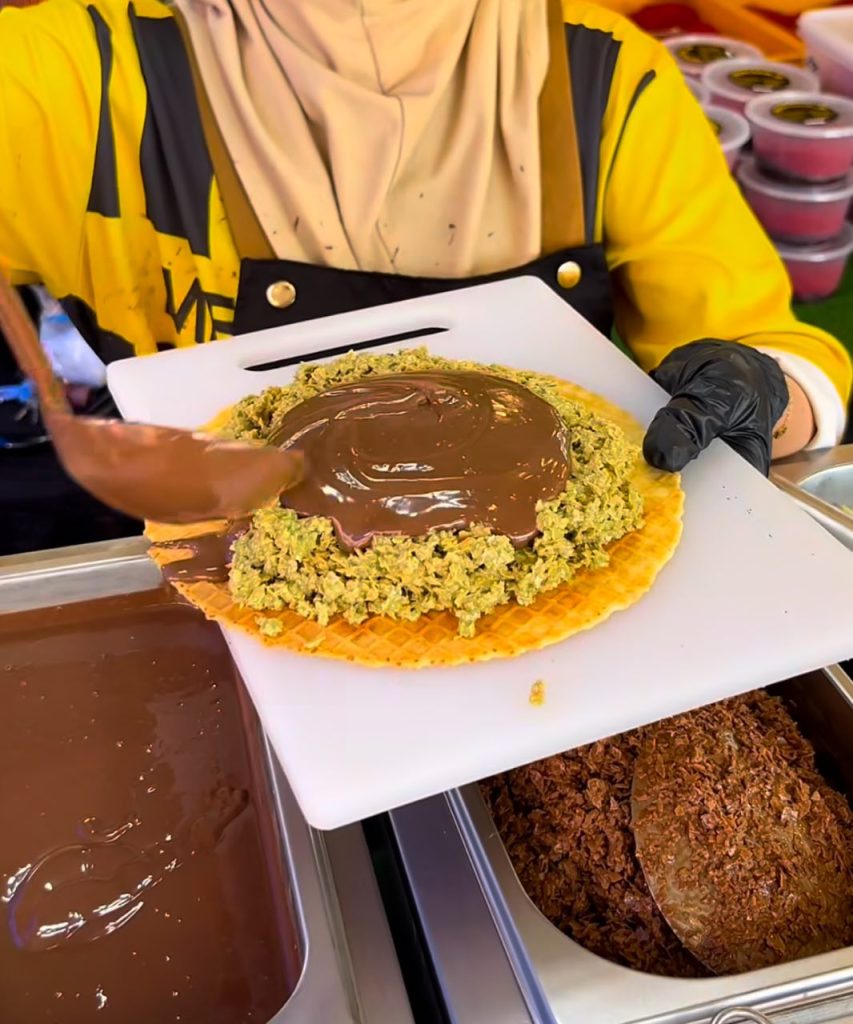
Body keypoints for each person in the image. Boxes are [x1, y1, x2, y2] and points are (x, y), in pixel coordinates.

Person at [0, 0, 850, 552]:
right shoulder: (74, 80)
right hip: (221, 596)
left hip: (548, 606)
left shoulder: (603, 79)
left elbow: (766, 349)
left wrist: (766, 391)